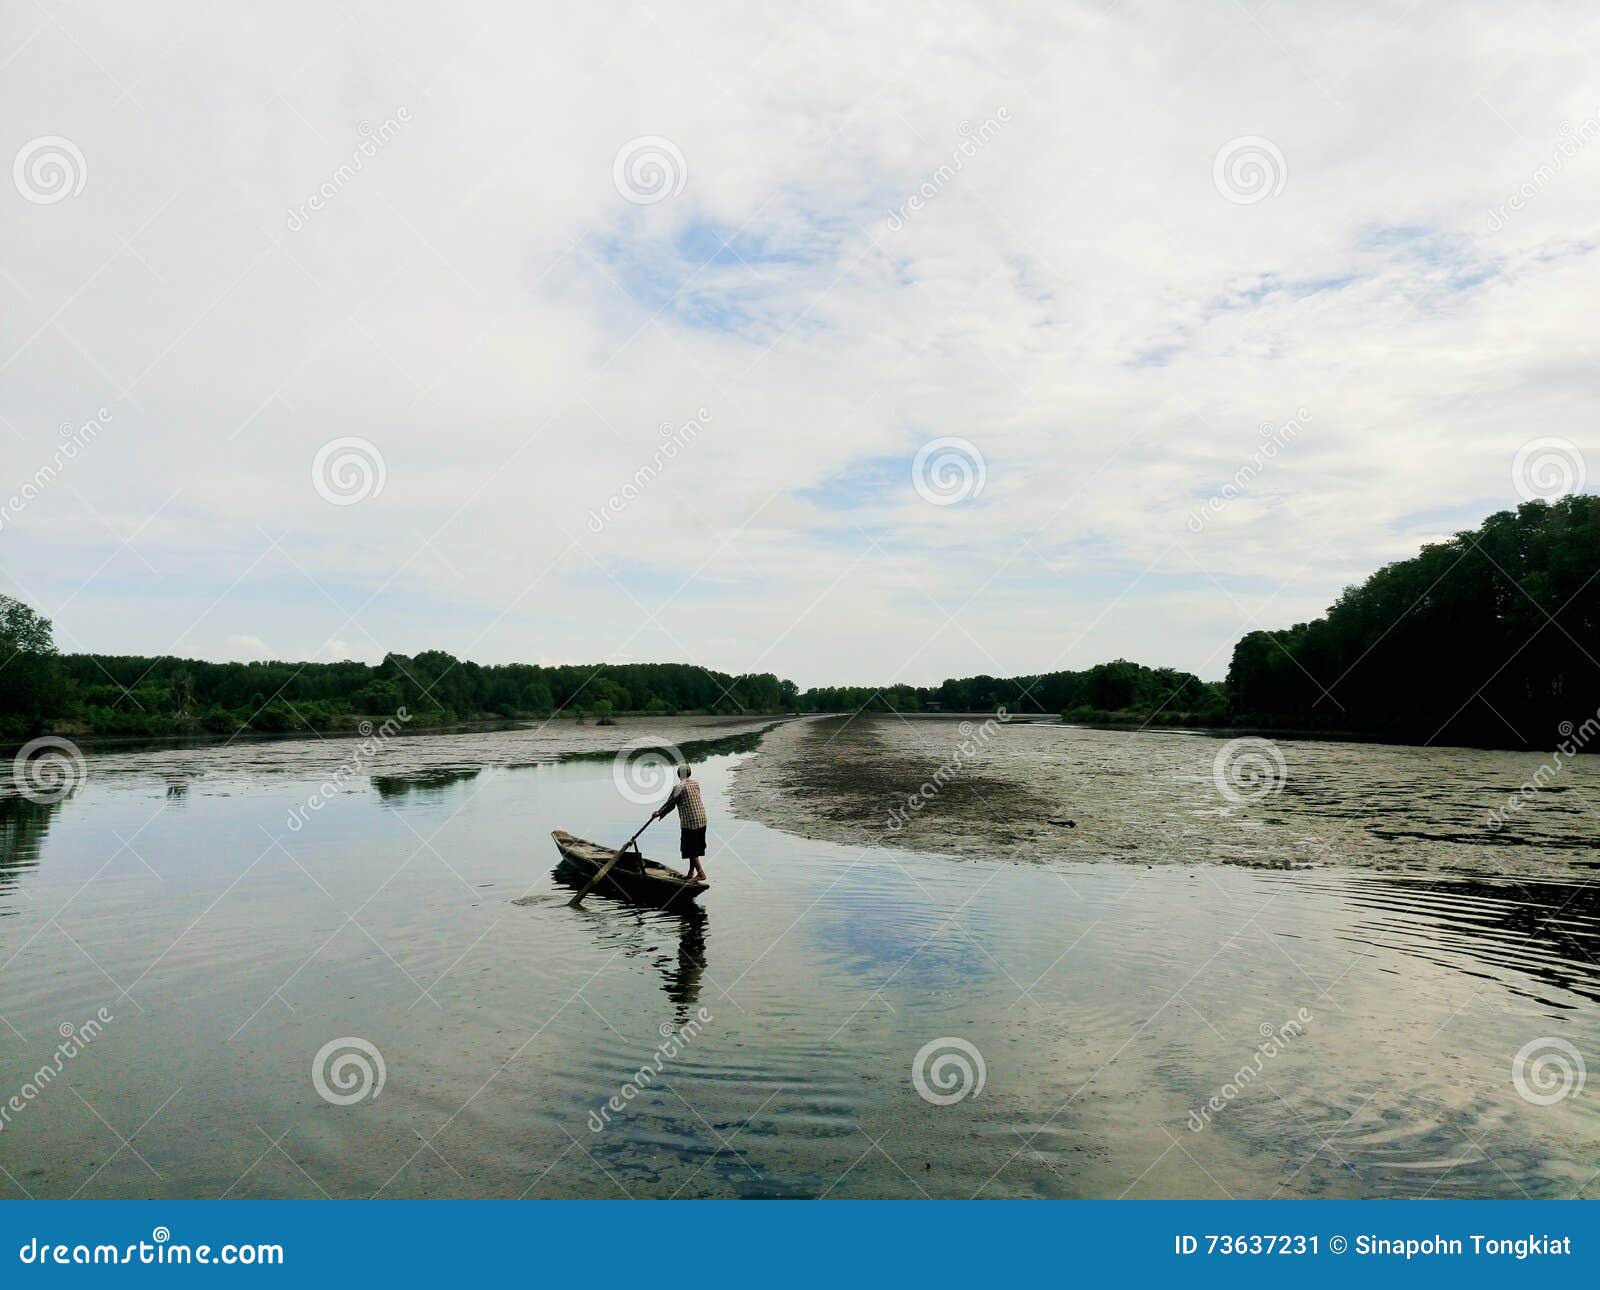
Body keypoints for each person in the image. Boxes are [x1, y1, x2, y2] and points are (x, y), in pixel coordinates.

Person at [655, 764, 709, 883]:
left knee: (690, 848)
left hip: (690, 821)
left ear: (679, 775)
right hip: (702, 819)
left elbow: (670, 804)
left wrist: (658, 813)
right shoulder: (696, 784)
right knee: (694, 847)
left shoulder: (678, 787)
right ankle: (691, 873)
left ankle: (701, 874)